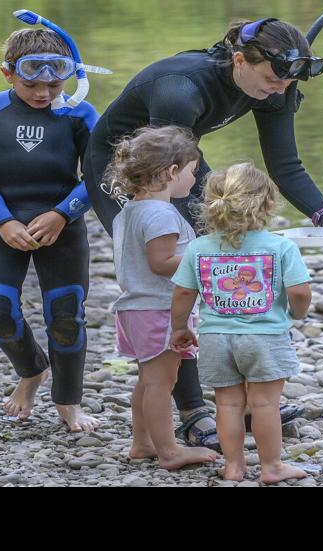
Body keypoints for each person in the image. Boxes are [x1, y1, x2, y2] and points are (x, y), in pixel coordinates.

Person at [81, 16, 323, 451]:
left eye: (286, 82)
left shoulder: (275, 84)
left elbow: (285, 164)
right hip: (127, 171)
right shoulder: (180, 88)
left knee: (217, 266)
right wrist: (232, 228)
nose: (279, 89)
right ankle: (194, 414)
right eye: (271, 79)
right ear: (240, 61)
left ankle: (238, 398)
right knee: (177, 275)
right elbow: (180, 167)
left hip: (181, 167)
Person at [0, 23, 99, 431]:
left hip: (62, 226)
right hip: (0, 225)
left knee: (66, 315)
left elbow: (100, 173)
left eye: (55, 86)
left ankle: (68, 402)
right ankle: (31, 370)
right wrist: (2, 221)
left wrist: (63, 213)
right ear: (7, 74)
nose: (43, 94)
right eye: (31, 86)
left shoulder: (79, 113)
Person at [169, 163, 311, 485]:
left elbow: (182, 293)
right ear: (266, 203)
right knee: (265, 404)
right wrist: (297, 313)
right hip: (264, 336)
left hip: (216, 337)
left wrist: (180, 327)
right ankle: (272, 467)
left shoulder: (199, 248)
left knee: (227, 403)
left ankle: (234, 466)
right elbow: (300, 291)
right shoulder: (280, 246)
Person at [103, 126, 219, 473]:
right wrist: (206, 261)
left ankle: (143, 443)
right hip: (157, 309)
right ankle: (169, 452)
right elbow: (161, 263)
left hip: (136, 307)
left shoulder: (130, 210)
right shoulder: (161, 213)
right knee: (160, 383)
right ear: (171, 172)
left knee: (148, 381)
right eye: (192, 172)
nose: (193, 180)